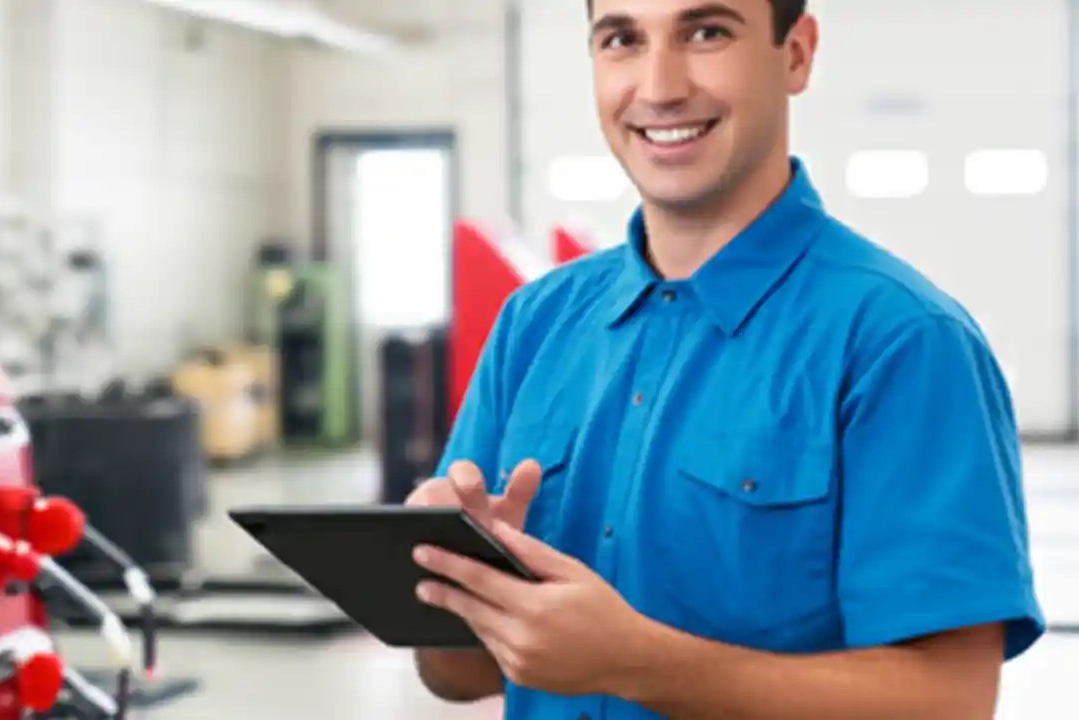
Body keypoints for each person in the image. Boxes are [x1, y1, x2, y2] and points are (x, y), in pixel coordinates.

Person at [404, 0, 1046, 718]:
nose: (659, 86)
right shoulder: (535, 322)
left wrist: (635, 661)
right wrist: (447, 576)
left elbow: (948, 702)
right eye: (622, 40)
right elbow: (457, 675)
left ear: (796, 53)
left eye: (705, 32)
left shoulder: (903, 342)